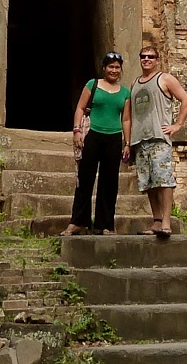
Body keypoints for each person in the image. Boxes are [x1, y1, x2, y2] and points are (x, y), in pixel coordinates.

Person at [63, 51, 132, 236]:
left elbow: (126, 119)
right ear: (104, 68)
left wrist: (127, 142)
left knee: (109, 182)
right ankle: (78, 221)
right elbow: (80, 107)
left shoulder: (125, 92)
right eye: (111, 67)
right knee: (85, 179)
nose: (114, 70)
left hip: (114, 137)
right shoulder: (93, 85)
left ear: (121, 69)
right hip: (92, 134)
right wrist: (77, 130)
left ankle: (105, 224)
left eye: (117, 67)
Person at [128, 43, 187, 238]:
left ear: (157, 60)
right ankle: (156, 220)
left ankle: (166, 222)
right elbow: (130, 115)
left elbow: (185, 100)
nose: (146, 59)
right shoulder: (135, 83)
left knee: (164, 180)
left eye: (150, 57)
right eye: (143, 56)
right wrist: (128, 141)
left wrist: (177, 125)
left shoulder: (165, 79)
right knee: (148, 183)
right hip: (140, 139)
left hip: (158, 137)